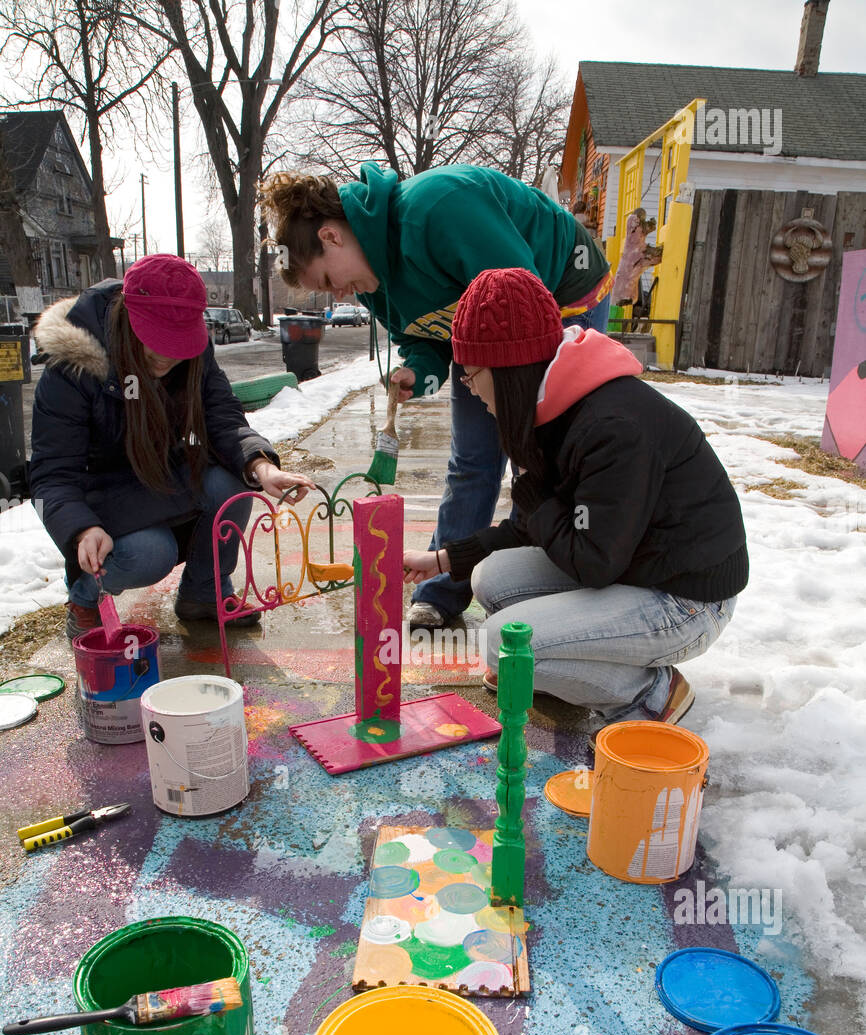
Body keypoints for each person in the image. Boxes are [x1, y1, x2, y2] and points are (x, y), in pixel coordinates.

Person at [260, 163, 613, 629]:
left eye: (328, 281)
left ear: (331, 236)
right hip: (488, 326)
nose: (340, 295)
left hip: (562, 291)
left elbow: (521, 301)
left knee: (543, 451)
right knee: (471, 461)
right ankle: (443, 592)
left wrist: (520, 411)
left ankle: (552, 588)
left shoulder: (438, 207)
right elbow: (425, 334)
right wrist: (418, 373)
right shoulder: (369, 279)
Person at [403, 268, 749, 729]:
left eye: (469, 376)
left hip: (685, 600)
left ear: (508, 370)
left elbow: (592, 561)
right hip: (637, 569)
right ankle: (558, 667)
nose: (468, 388)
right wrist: (444, 560)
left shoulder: (610, 428)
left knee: (502, 643)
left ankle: (648, 694)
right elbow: (532, 525)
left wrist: (537, 496)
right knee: (490, 579)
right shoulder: (553, 406)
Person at [29, 254, 312, 639]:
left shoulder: (194, 355)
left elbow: (223, 417)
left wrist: (261, 465)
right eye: (157, 340)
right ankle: (84, 596)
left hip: (167, 480)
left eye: (179, 344)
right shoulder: (73, 367)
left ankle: (204, 593)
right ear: (128, 316)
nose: (168, 355)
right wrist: (81, 531)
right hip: (106, 500)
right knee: (151, 552)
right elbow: (51, 475)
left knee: (234, 484)